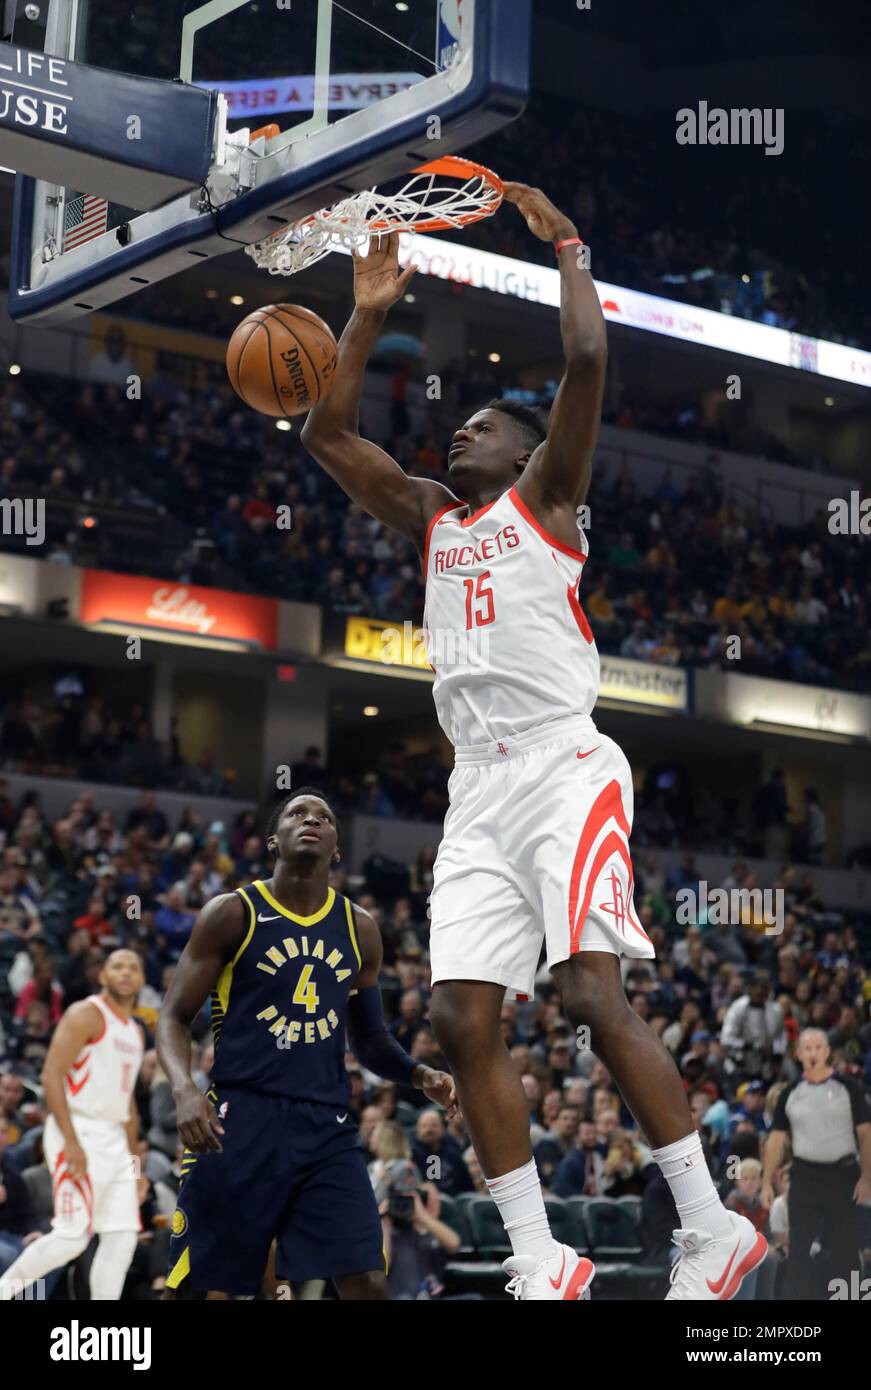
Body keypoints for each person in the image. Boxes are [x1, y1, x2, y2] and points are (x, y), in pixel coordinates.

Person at [301, 186, 765, 1301]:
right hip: (478, 793)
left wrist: (564, 244)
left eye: (484, 425)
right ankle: (538, 1253)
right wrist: (365, 309)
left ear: (522, 453)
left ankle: (713, 1227)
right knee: (460, 1017)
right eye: (459, 423)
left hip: (563, 764)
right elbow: (325, 433)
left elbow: (588, 357)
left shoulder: (546, 499)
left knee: (590, 998)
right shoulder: (432, 517)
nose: (460, 429)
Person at [156, 790, 457, 1300]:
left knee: (366, 1280)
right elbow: (172, 1015)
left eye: (324, 817)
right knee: (198, 1289)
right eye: (298, 813)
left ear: (338, 848)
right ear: (274, 840)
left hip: (326, 1128)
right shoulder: (232, 912)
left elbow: (369, 1038)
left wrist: (418, 1074)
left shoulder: (361, 929)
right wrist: (185, 1089)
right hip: (238, 1117)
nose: (312, 820)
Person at [0, 950, 145, 1301]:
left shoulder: (135, 1032)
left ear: (142, 979)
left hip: (114, 1137)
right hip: (77, 1128)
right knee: (71, 1236)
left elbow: (127, 1104)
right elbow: (51, 1073)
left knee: (123, 1236)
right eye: (117, 966)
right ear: (103, 976)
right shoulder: (87, 1013)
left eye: (134, 967)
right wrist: (70, 1141)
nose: (126, 972)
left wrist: (135, 1165)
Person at [761, 1028, 871, 1300]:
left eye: (818, 1047)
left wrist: (867, 1176)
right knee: (799, 1249)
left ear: (827, 1052)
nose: (813, 1053)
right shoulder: (789, 1093)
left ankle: (848, 1299)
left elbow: (866, 1133)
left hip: (844, 1173)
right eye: (807, 1048)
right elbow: (775, 1140)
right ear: (798, 1054)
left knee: (845, 1248)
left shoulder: (849, 1088)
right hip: (805, 1174)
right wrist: (765, 1181)